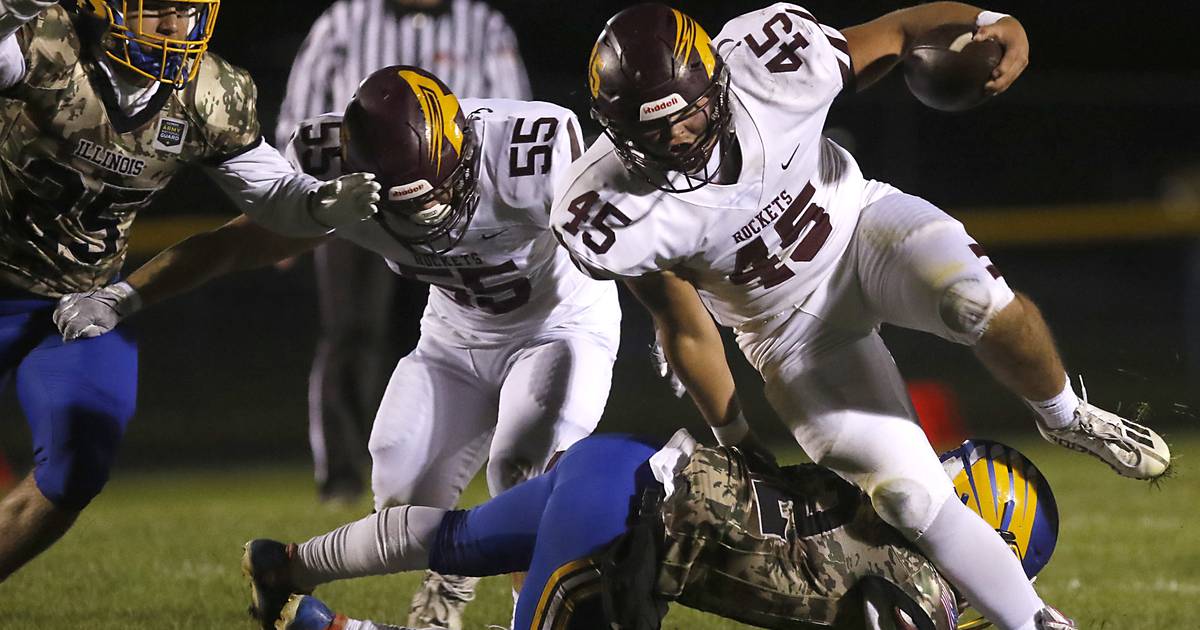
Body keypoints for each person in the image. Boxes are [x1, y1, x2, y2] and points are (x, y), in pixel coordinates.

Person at [549, 3, 1170, 629]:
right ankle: (1034, 620)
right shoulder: (604, 210)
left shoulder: (769, 64)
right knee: (908, 497)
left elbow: (900, 33)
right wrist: (737, 440)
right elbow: (681, 323)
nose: (679, 139)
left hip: (861, 231)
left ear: (719, 85)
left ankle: (1065, 415)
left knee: (975, 299)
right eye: (655, 132)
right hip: (784, 330)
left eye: (689, 115)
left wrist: (990, 18)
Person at [52, 64, 621, 628]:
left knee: (521, 467)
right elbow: (233, 246)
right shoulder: (334, 170)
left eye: (441, 191)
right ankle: (452, 570)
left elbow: (634, 230)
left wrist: (678, 318)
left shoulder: (534, 148)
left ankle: (533, 620)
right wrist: (123, 296)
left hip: (561, 324)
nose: (432, 216)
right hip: (455, 331)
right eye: (408, 205)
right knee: (402, 495)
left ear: (466, 149)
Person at [0, 0, 377, 582]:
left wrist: (314, 203)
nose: (176, 26)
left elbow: (272, 195)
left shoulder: (211, 94)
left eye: (188, 11)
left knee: (81, 458)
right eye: (158, 11)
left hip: (78, 300)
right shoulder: (45, 40)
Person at [240, 431, 1072, 630]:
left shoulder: (877, 481)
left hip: (622, 461)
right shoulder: (925, 579)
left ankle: (289, 568)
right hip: (629, 524)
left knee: (456, 539)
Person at [276, 0, 532, 510]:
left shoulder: (481, 23)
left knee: (452, 336)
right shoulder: (346, 20)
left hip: (451, 207)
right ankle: (343, 477)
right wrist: (294, 207)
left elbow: (511, 112)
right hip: (358, 204)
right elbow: (300, 115)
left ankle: (442, 463)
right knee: (351, 333)